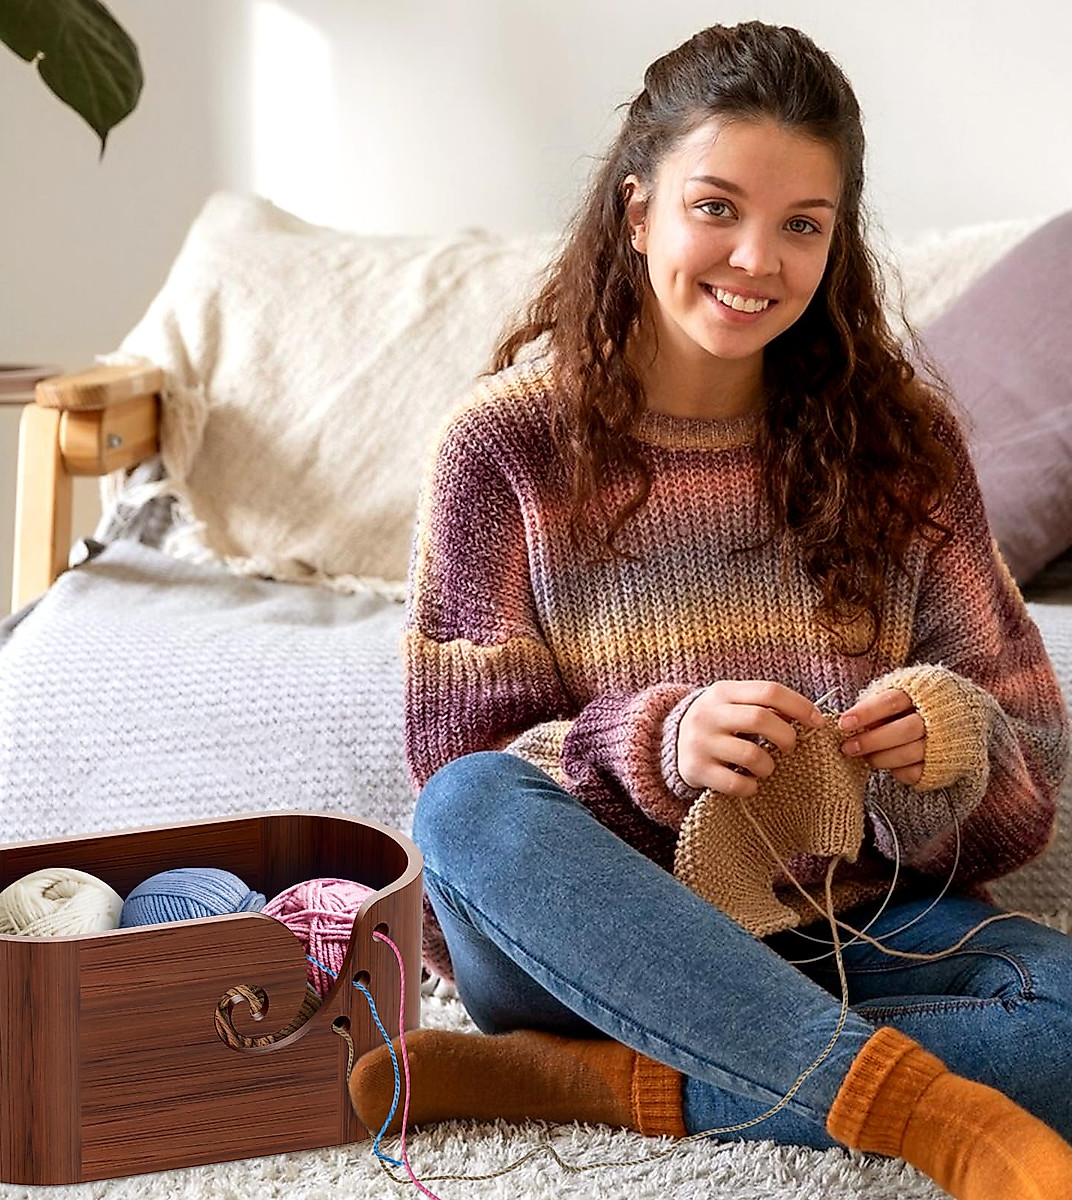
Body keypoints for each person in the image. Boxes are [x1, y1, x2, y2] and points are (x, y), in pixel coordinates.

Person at [347, 20, 1072, 1200]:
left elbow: (1029, 767)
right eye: (716, 207)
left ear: (836, 245)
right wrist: (655, 746)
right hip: (590, 954)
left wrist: (954, 743)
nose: (756, 258)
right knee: (468, 809)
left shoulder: (904, 447)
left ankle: (599, 1085)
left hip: (859, 934)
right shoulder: (506, 447)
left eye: (802, 225)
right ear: (638, 211)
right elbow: (471, 784)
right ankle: (922, 1111)